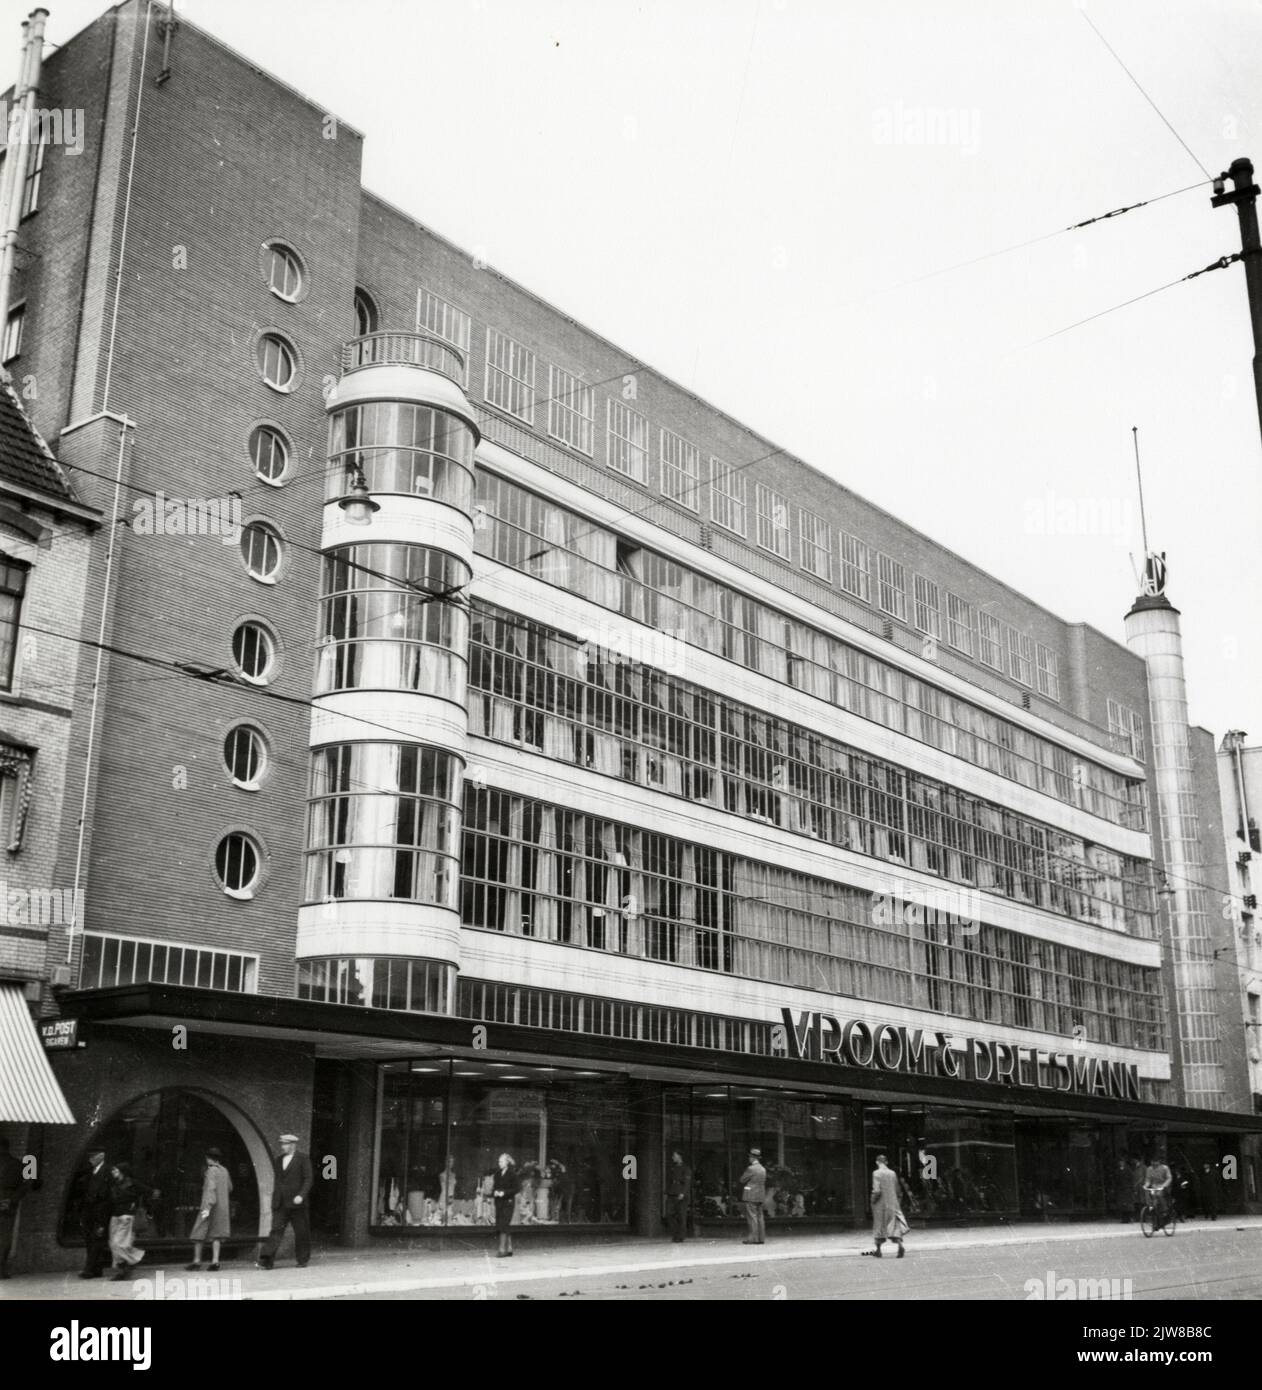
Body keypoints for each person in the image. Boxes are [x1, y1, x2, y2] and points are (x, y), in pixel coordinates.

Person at [257, 1133, 313, 1270]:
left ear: (293, 1145)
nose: (283, 1147)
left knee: (301, 1232)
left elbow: (308, 1179)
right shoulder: (279, 1160)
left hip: (297, 1203)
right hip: (280, 1202)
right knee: (275, 1230)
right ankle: (266, 1260)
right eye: (282, 1144)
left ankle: (302, 1259)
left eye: (285, 1144)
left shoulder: (303, 1159)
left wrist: (301, 1195)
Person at [187, 1147, 232, 1272]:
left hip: (209, 1206)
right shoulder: (224, 1170)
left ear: (208, 1159)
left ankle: (196, 1261)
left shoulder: (211, 1171)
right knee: (216, 1235)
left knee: (198, 1233)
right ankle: (215, 1262)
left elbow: (210, 1189)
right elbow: (230, 1187)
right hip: (221, 1208)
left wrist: (207, 1207)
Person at [105, 1162, 153, 1280]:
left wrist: (136, 1204)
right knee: (114, 1244)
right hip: (115, 1217)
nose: (113, 1173)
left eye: (115, 1171)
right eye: (113, 1171)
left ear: (122, 1172)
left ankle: (132, 1261)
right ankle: (124, 1270)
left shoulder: (132, 1183)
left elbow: (148, 1191)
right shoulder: (113, 1183)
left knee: (118, 1243)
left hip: (126, 1217)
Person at [78, 1147, 113, 1279]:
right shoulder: (91, 1171)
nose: (90, 1159)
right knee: (90, 1239)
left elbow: (108, 1194)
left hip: (101, 1211)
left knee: (97, 1239)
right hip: (89, 1211)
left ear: (101, 1156)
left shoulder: (107, 1171)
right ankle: (96, 1268)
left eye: (93, 1156)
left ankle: (89, 1269)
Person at [864, 1153, 906, 1258]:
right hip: (892, 1203)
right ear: (886, 1162)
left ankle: (878, 1250)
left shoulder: (876, 1173)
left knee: (879, 1226)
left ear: (877, 1162)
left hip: (880, 1205)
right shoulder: (892, 1173)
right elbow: (897, 1190)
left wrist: (872, 1201)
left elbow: (877, 1190)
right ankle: (900, 1245)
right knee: (894, 1226)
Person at [0, 1137, 27, 1280]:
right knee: (4, 1237)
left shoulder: (17, 1164)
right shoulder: (18, 1164)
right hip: (8, 1202)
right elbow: (25, 1185)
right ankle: (1, 1269)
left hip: (7, 1202)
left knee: (4, 1238)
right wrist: (12, 1200)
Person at [492, 1153, 519, 1257]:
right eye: (499, 1161)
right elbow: (495, 1186)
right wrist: (495, 1192)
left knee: (504, 1224)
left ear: (507, 1162)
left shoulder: (512, 1174)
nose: (499, 1163)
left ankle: (502, 1249)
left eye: (501, 1161)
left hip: (508, 1202)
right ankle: (509, 1248)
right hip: (499, 1202)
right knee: (501, 1224)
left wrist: (504, 1193)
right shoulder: (497, 1174)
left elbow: (517, 1188)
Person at [738, 1148, 767, 1245]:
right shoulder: (763, 1169)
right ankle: (761, 1238)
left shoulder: (751, 1168)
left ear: (752, 1158)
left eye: (750, 1157)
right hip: (760, 1195)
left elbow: (742, 1180)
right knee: (760, 1217)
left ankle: (753, 1238)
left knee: (752, 1217)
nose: (749, 1159)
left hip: (751, 1195)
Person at [665, 1150, 692, 1243]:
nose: (673, 1157)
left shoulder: (686, 1168)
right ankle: (675, 1233)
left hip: (681, 1194)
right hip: (672, 1193)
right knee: (669, 1214)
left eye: (674, 1155)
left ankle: (681, 1236)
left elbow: (687, 1182)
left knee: (681, 1215)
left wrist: (683, 1193)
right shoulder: (673, 1168)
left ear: (679, 1156)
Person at [1143, 1153, 1173, 1229]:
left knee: (1159, 1195)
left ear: (1159, 1161)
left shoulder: (1165, 1168)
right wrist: (1146, 1185)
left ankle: (1165, 1210)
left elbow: (1169, 1178)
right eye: (1152, 1161)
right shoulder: (1149, 1169)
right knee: (1150, 1196)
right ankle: (1151, 1211)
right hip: (1154, 1187)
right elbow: (1148, 1179)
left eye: (1155, 1161)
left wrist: (1164, 1185)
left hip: (1163, 1187)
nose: (1153, 1163)